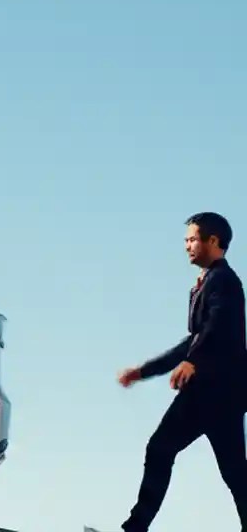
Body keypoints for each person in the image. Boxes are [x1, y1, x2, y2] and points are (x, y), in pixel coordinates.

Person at [117, 212, 247, 531]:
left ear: (213, 241)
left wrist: (195, 361)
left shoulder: (224, 281)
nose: (187, 246)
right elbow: (192, 341)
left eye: (192, 239)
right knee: (235, 472)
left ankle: (136, 527)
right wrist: (144, 371)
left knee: (161, 448)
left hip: (213, 390)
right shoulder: (203, 285)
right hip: (222, 394)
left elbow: (217, 328)